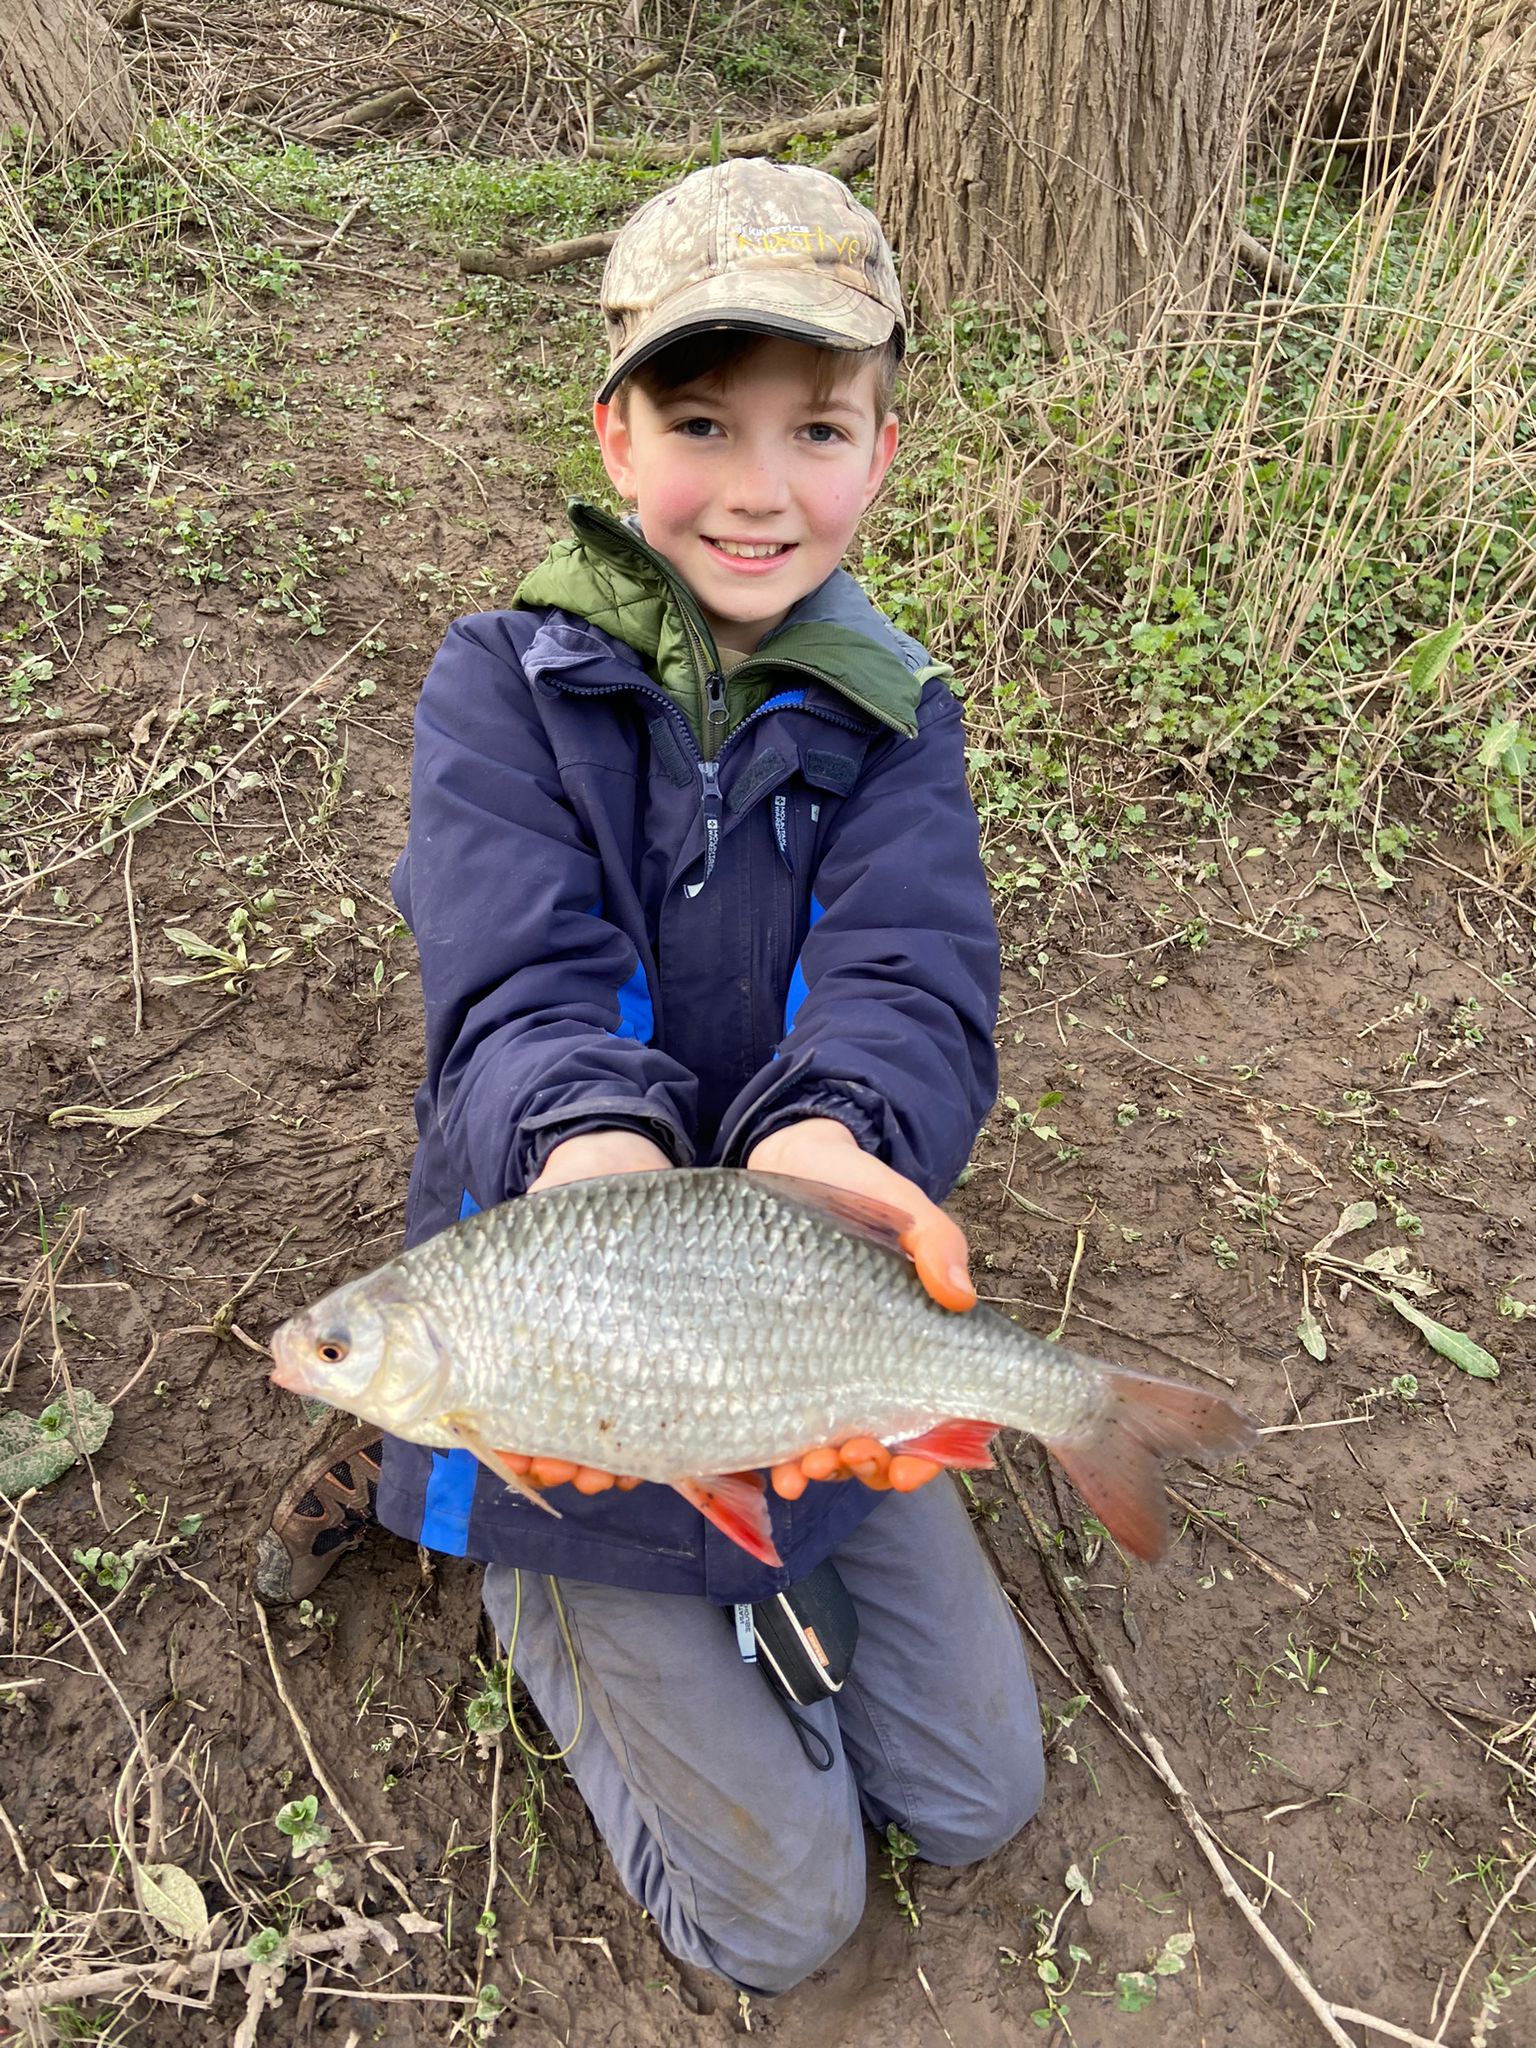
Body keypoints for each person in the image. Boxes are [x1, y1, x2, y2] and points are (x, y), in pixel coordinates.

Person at [260, 158, 1044, 1994]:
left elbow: (909, 975)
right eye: (704, 420)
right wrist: (592, 1157)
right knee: (785, 1923)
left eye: (816, 426)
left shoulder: (900, 721)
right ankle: (522, 1566)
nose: (761, 485)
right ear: (618, 436)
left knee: (975, 1801)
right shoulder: (499, 684)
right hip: (564, 1307)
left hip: (786, 1295)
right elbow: (515, 974)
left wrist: (841, 1144)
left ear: (884, 450)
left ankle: (788, 1533)